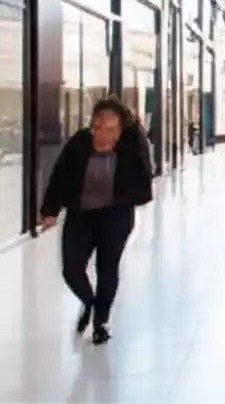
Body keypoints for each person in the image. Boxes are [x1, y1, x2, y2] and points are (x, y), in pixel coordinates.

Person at [40, 97, 154, 345]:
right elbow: (59, 175)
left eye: (108, 121)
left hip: (115, 216)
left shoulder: (131, 144)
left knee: (107, 269)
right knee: (72, 267)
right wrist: (50, 209)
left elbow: (144, 178)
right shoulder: (80, 142)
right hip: (81, 214)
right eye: (98, 119)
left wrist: (124, 190)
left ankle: (101, 321)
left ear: (121, 126)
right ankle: (90, 303)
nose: (101, 124)